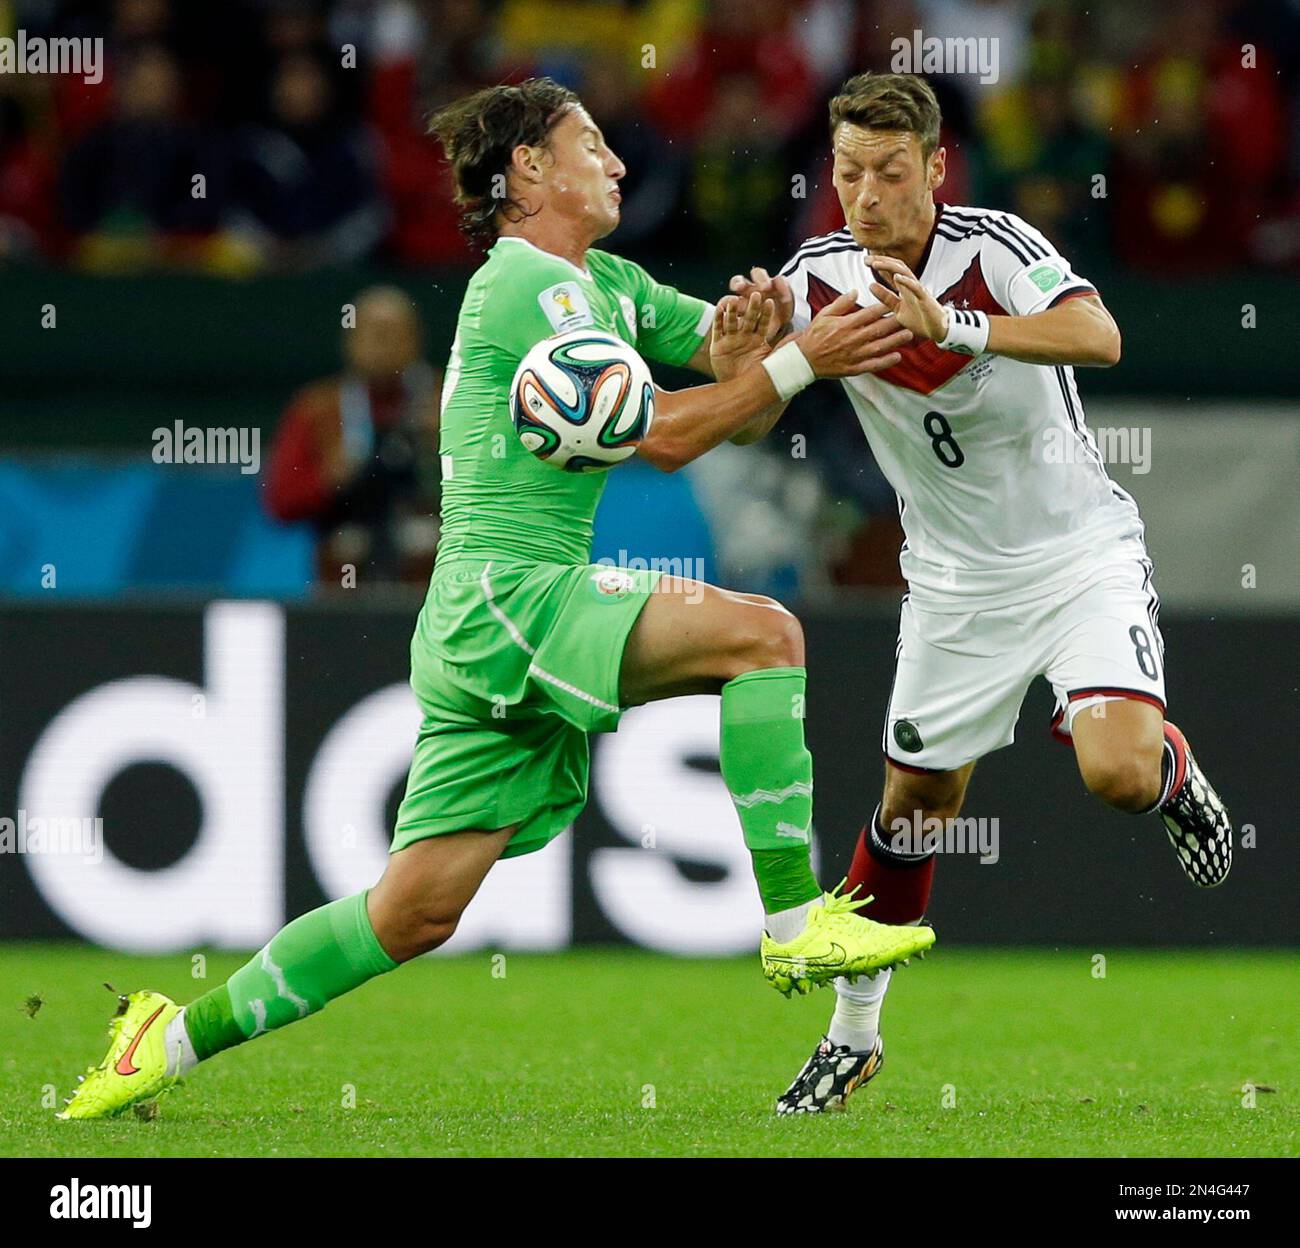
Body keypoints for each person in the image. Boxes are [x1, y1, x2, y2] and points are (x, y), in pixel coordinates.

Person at [57, 76, 930, 1121]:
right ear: (528, 169)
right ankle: (794, 921)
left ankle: (172, 1035)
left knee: (411, 911)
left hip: (483, 622)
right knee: (764, 635)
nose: (615, 163)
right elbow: (659, 436)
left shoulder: (605, 283)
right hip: (510, 593)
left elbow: (725, 399)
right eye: (592, 144)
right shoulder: (525, 287)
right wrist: (790, 364)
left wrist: (756, 337)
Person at [728, 72, 1233, 1115]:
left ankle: (1174, 768)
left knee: (1118, 774)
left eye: (890, 171)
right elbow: (742, 422)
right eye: (847, 172)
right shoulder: (817, 277)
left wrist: (959, 327)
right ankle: (853, 1039)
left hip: (1074, 556)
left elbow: (1100, 338)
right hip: (953, 587)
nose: (864, 195)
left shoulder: (994, 246)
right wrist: (743, 359)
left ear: (935, 169)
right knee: (913, 807)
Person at [263, 285, 441, 588]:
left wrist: (445, 451)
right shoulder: (319, 408)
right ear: (350, 340)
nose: (383, 346)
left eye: (394, 334)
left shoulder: (448, 400)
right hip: (344, 593)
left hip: (433, 590)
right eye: (373, 334)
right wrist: (327, 478)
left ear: (416, 340)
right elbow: (279, 502)